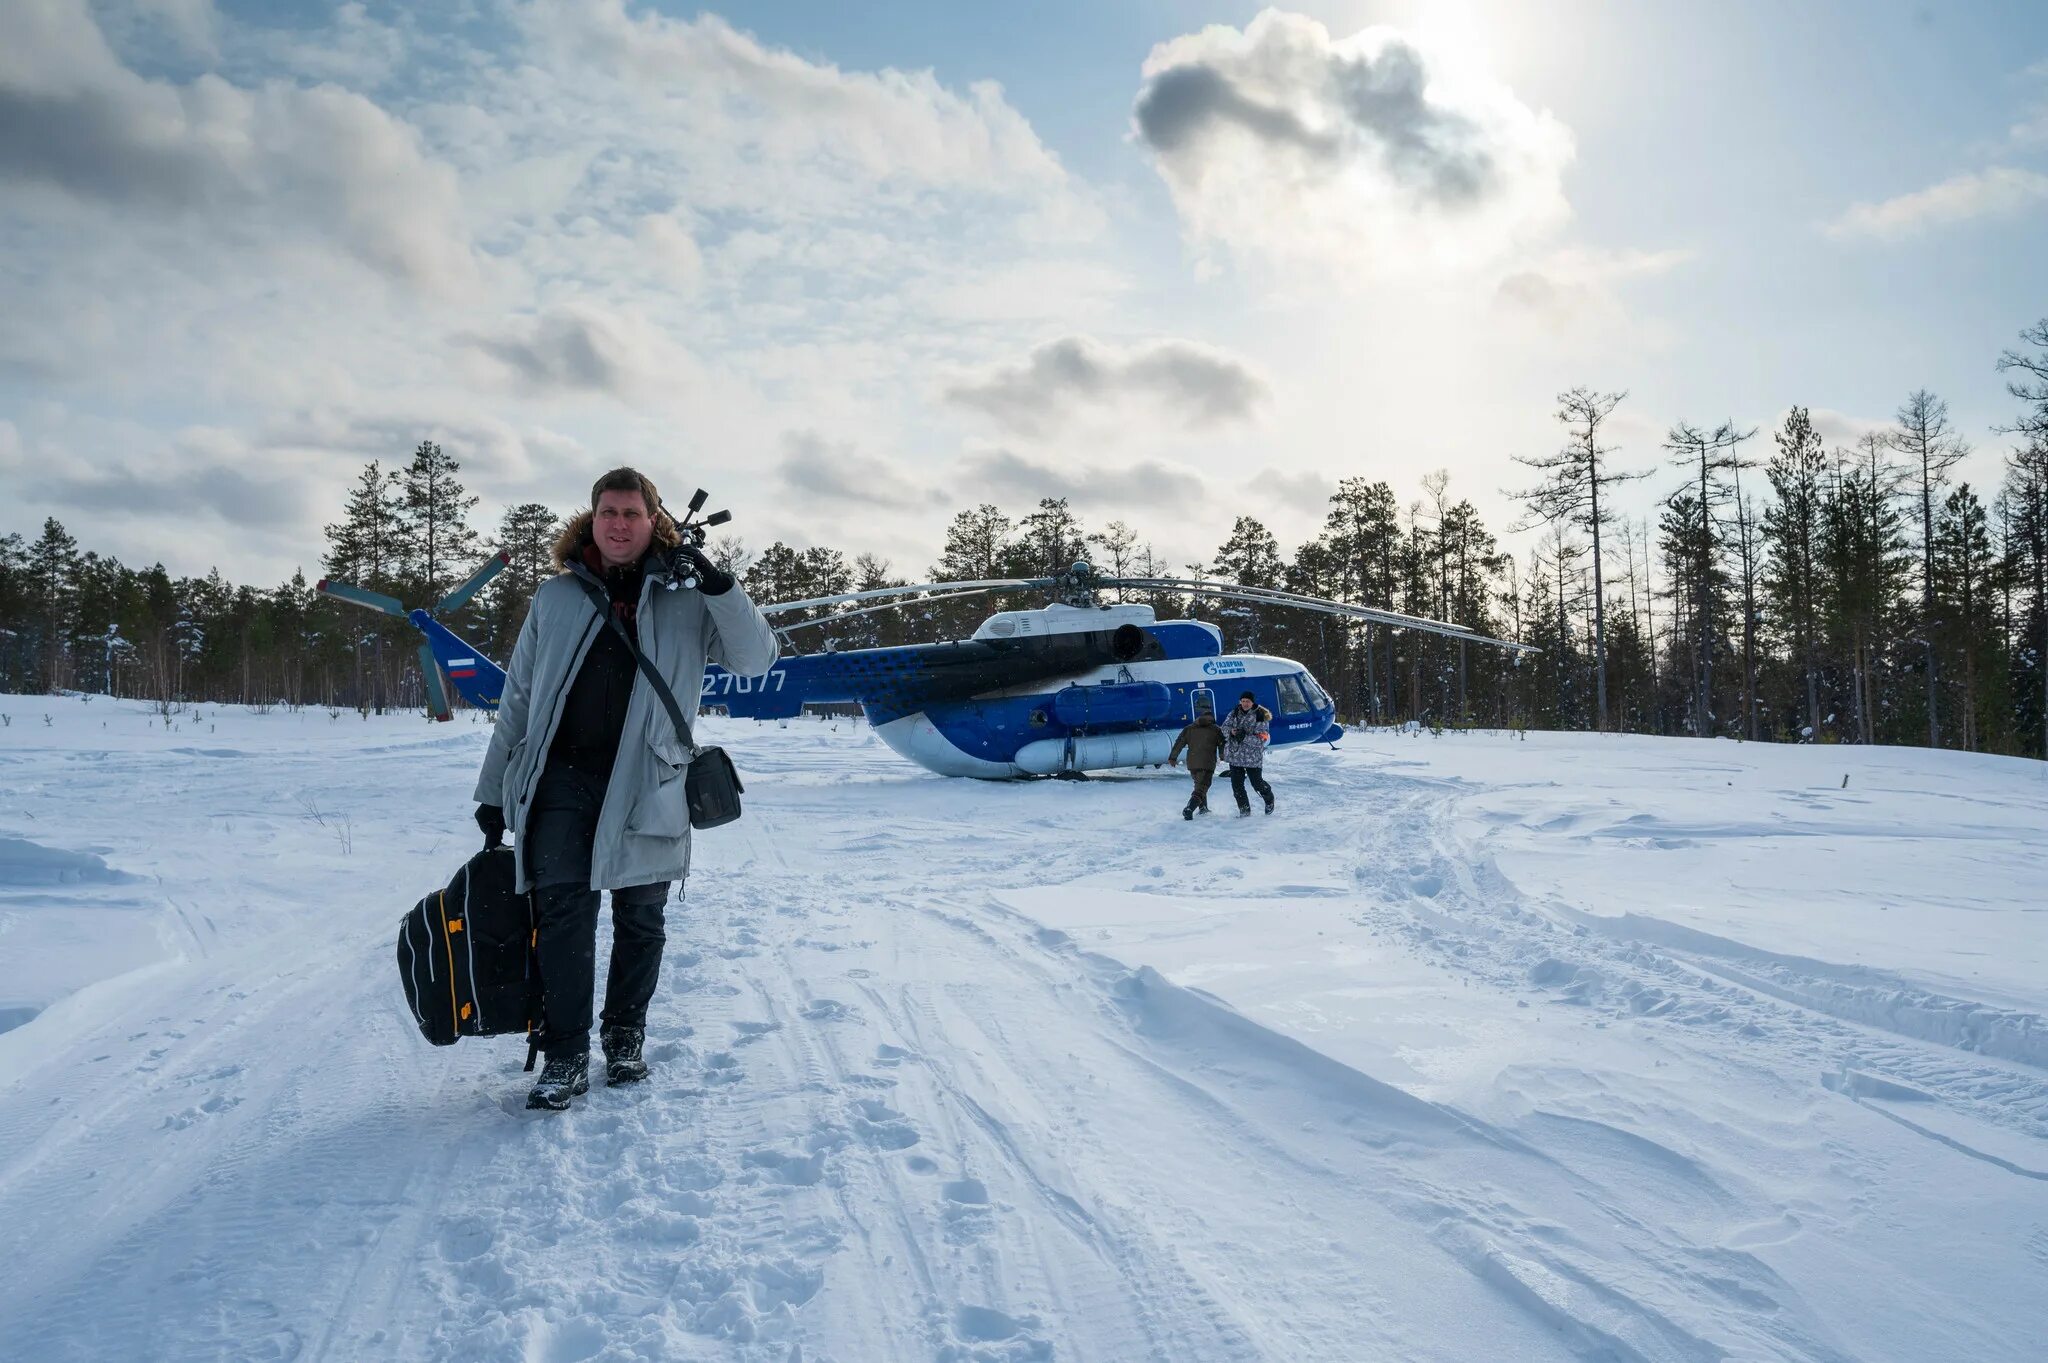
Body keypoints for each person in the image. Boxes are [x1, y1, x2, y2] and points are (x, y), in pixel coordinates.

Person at [473, 467, 779, 1110]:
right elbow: (520, 697)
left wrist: (722, 584)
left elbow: (755, 658)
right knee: (562, 913)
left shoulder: (691, 596)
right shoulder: (555, 598)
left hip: (650, 778)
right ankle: (563, 1055)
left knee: (642, 916)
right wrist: (495, 787)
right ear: (591, 518)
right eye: (607, 512)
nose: (618, 524)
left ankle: (625, 1034)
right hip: (560, 777)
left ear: (654, 520)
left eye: (631, 514)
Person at [1221, 690, 1275, 817]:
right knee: (1237, 787)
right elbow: (1223, 728)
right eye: (1243, 701)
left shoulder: (1260, 716)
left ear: (1252, 702)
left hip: (1252, 757)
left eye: (1248, 701)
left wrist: (1243, 737)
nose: (1245, 703)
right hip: (1235, 756)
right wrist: (1231, 732)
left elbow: (1261, 740)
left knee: (1257, 784)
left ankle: (1269, 798)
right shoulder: (1233, 713)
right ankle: (1244, 812)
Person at [1167, 710, 1223, 820]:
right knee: (1202, 787)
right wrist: (1222, 754)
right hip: (1207, 763)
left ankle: (1203, 808)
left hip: (1193, 763)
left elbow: (1179, 743)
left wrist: (1173, 757)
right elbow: (1222, 743)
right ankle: (1189, 808)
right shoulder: (1215, 729)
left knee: (1199, 785)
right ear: (1211, 719)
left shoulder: (1189, 728)